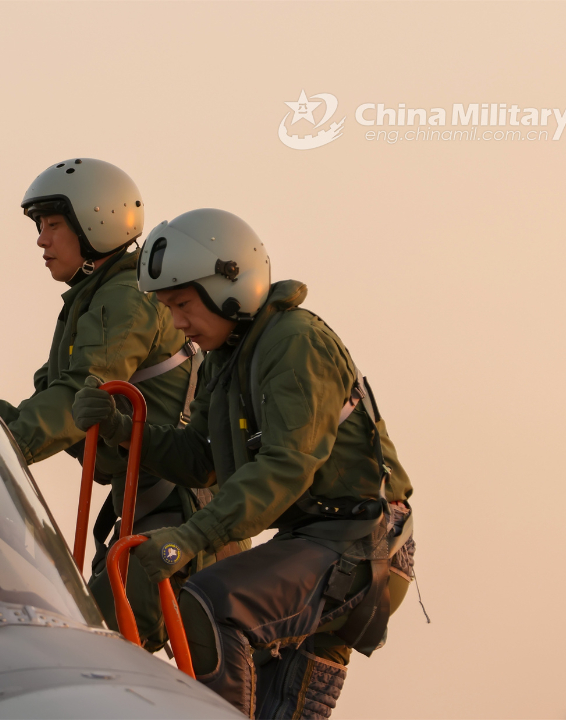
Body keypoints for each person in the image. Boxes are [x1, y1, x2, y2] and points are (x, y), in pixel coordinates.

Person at [71, 208, 417, 719]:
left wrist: (190, 538)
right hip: (316, 543)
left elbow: (286, 466)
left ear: (228, 284)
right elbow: (200, 459)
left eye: (183, 304)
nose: (178, 322)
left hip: (360, 544)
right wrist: (123, 430)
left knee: (213, 601)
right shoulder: (227, 358)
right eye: (168, 307)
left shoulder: (294, 342)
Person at [0, 159, 240, 650]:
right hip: (148, 509)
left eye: (53, 225)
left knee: (87, 654)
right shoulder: (96, 298)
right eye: (40, 227)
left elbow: (75, 398)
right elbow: (48, 404)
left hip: (176, 516)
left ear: (94, 226)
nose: (41, 240)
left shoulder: (125, 298)